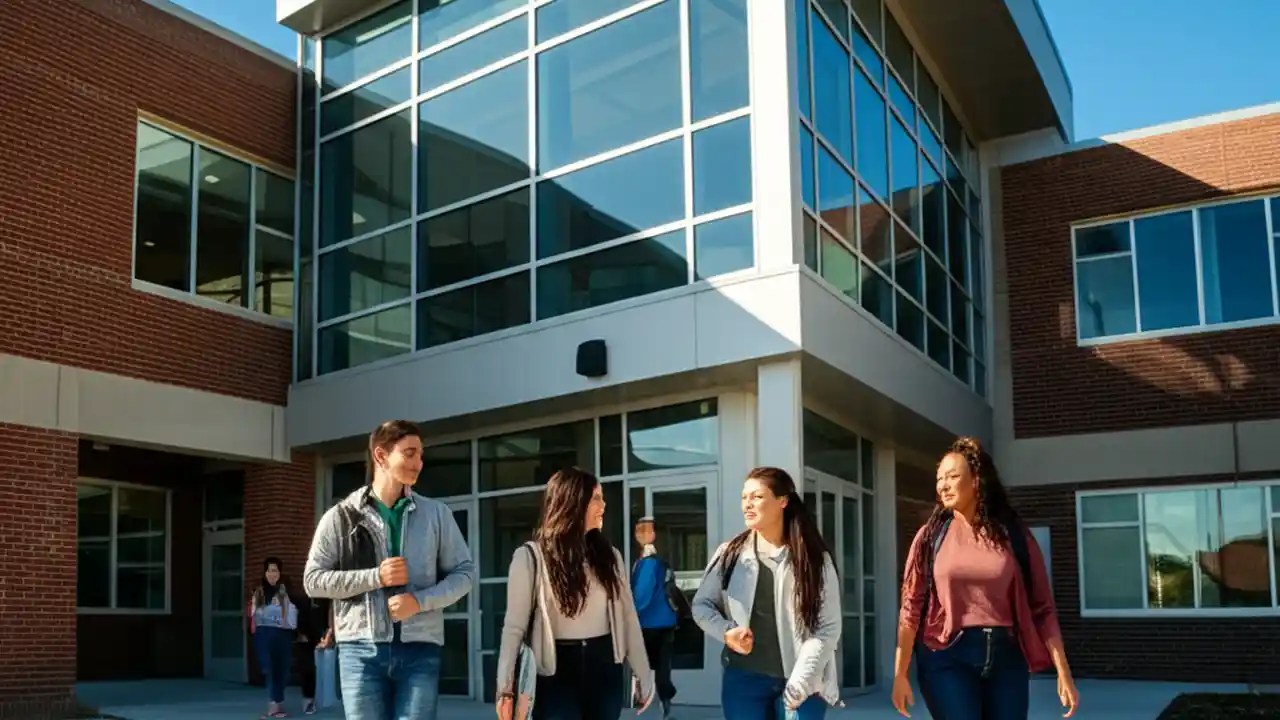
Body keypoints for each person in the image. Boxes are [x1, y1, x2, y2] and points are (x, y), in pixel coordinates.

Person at [891, 437, 1080, 720]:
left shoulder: (1014, 535)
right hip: (947, 656)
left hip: (1007, 657)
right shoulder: (930, 537)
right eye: (939, 478)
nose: (942, 485)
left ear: (976, 480)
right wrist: (900, 673)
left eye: (952, 476)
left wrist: (1063, 671)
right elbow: (911, 606)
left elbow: (1043, 607)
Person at [304, 419, 476, 720]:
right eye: (409, 453)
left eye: (421, 456)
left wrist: (419, 602)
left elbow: (465, 574)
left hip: (420, 650)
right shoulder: (341, 516)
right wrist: (375, 577)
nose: (418, 464)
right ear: (381, 456)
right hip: (360, 651)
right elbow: (313, 581)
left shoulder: (436, 514)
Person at [495, 467, 654, 720]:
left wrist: (644, 673)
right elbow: (514, 627)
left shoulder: (610, 556)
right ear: (573, 502)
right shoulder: (530, 557)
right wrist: (505, 687)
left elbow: (628, 618)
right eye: (596, 498)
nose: (603, 504)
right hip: (554, 671)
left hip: (604, 666)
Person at [692, 467, 841, 719]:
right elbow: (701, 606)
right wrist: (727, 632)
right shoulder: (730, 554)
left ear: (782, 501)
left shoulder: (814, 559)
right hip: (743, 680)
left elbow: (827, 627)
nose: (747, 505)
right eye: (744, 497)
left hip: (802, 681)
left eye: (757, 497)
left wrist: (801, 680)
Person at [630, 517, 683, 719]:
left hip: (648, 622)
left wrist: (631, 613)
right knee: (663, 666)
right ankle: (666, 703)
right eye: (638, 531)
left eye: (643, 531)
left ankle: (643, 700)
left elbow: (643, 593)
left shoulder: (648, 562)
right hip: (667, 620)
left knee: (641, 665)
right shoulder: (663, 560)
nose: (639, 534)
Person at [249, 557, 299, 719]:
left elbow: (291, 612)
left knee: (282, 669)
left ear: (280, 572)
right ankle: (273, 705)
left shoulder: (285, 590)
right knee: (269, 668)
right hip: (264, 633)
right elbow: (254, 614)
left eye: (275, 570)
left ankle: (277, 703)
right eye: (270, 570)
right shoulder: (259, 591)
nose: (272, 574)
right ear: (265, 573)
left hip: (282, 633)